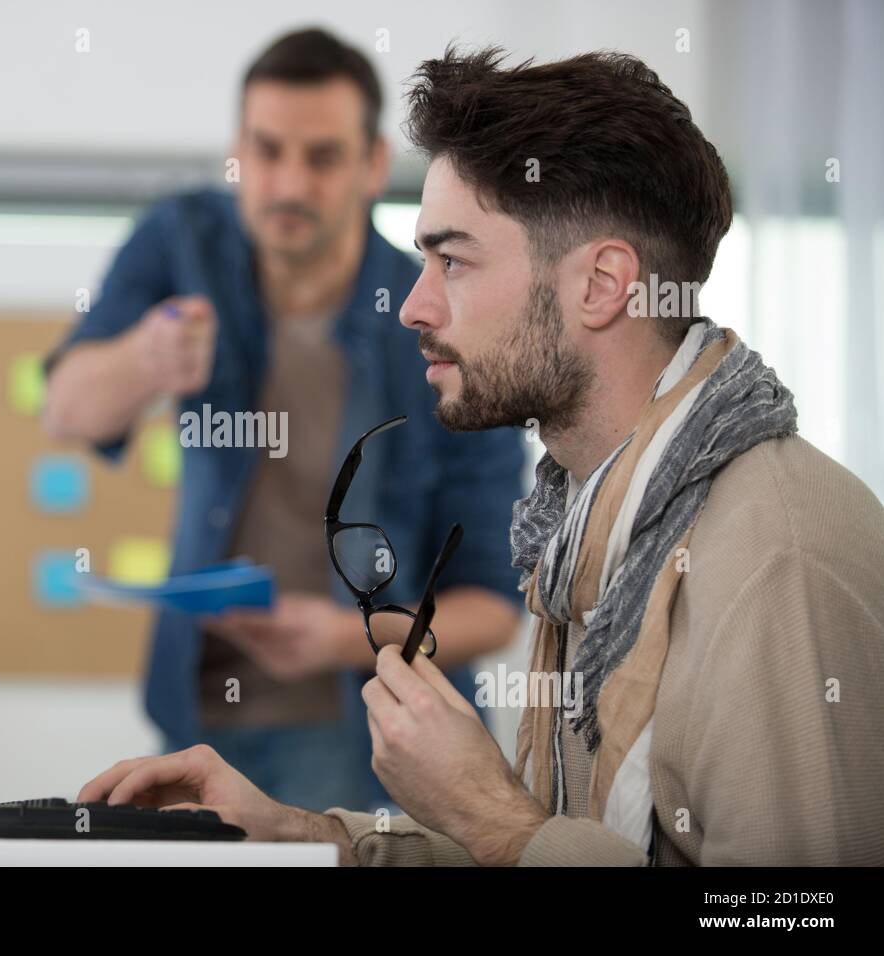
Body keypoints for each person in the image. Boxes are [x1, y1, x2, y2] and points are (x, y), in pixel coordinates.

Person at [75, 46, 884, 865]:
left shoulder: (779, 557)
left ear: (602, 285)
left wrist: (493, 815)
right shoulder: (585, 532)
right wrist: (302, 834)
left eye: (453, 260)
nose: (414, 305)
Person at [42, 29, 525, 812]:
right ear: (237, 152)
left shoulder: (440, 323)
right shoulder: (182, 240)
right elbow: (65, 407)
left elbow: (494, 608)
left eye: (323, 157)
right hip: (198, 708)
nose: (289, 183)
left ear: (372, 165)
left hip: (370, 736)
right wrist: (146, 360)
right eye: (267, 151)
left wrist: (338, 638)